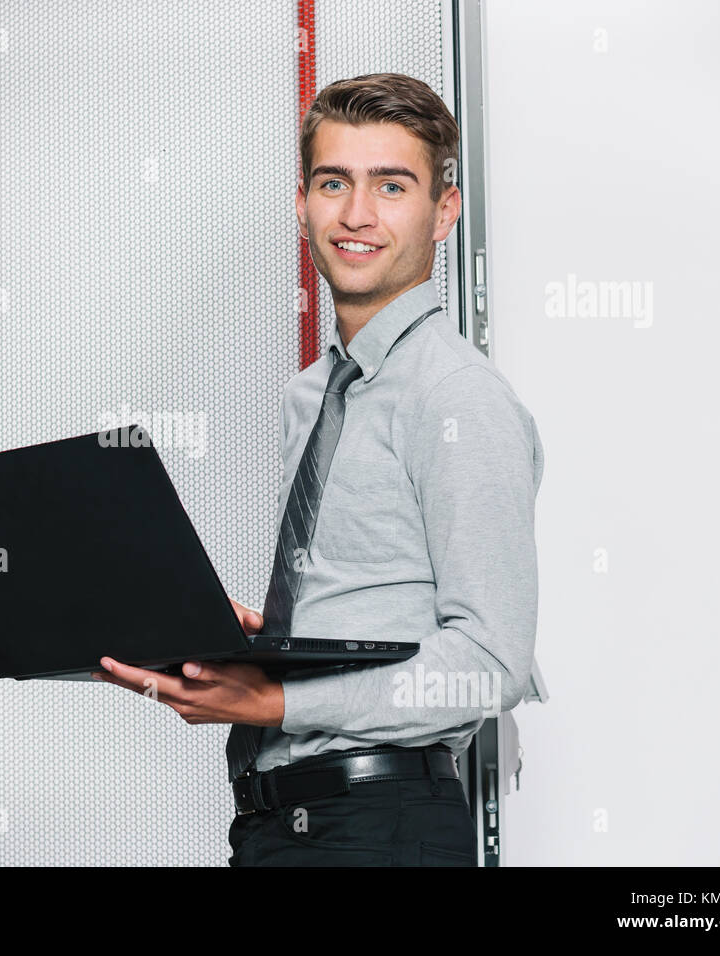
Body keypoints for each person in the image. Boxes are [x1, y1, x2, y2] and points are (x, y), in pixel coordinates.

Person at [90, 72, 544, 866]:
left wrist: (275, 697)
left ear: (444, 212)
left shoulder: (457, 397)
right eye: (335, 183)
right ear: (302, 202)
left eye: (391, 186)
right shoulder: (314, 393)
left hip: (383, 823)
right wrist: (277, 644)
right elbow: (378, 597)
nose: (357, 215)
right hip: (278, 822)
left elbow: (488, 665)